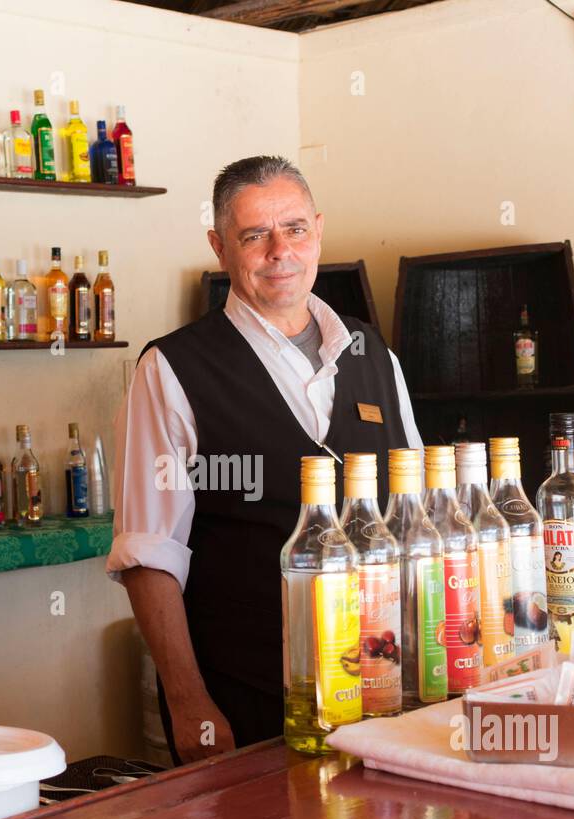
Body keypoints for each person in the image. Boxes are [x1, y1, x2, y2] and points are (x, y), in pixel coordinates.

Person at [107, 155, 423, 765]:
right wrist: (190, 705)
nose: (281, 251)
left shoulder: (374, 354)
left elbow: (413, 520)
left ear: (319, 231)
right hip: (249, 697)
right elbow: (150, 556)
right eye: (255, 235)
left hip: (385, 687)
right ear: (220, 248)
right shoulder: (172, 369)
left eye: (295, 229)